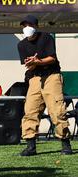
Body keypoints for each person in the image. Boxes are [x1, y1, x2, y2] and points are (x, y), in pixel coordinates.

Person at [17, 15, 73, 156]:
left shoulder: (46, 38)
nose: (26, 28)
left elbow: (52, 58)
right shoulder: (21, 45)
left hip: (51, 76)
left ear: (35, 26)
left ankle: (65, 143)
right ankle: (30, 146)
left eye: (29, 25)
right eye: (24, 25)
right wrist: (31, 63)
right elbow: (27, 66)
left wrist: (38, 61)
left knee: (57, 110)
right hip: (34, 78)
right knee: (30, 110)